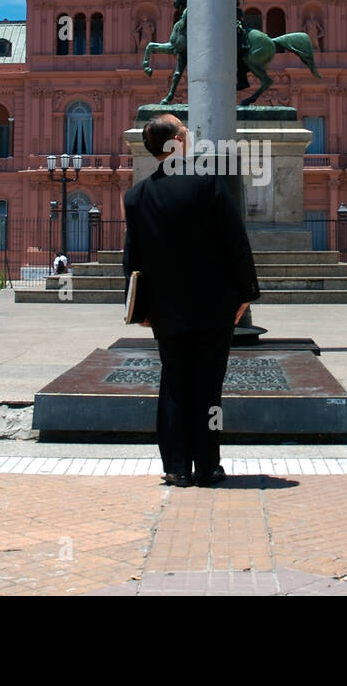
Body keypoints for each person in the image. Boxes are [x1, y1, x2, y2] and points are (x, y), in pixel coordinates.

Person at [123, 113, 260, 488]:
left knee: (173, 384)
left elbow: (132, 261)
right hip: (214, 306)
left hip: (166, 310)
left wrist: (141, 309)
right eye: (184, 132)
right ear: (176, 144)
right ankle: (208, 466)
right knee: (209, 388)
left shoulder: (136, 197)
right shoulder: (209, 184)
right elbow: (236, 243)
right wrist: (247, 293)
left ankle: (176, 467)